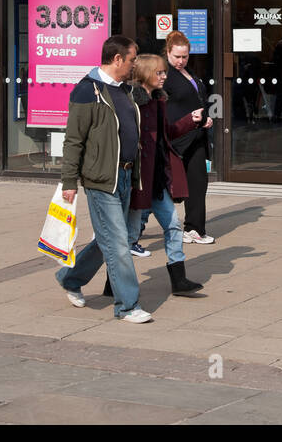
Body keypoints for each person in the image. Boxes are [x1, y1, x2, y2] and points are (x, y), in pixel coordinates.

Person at [55, 35, 154, 322]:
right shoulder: (87, 91)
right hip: (101, 180)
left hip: (124, 176)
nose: (135, 64)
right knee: (119, 243)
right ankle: (127, 307)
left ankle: (70, 278)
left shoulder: (124, 90)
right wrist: (69, 182)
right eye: (132, 59)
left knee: (106, 240)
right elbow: (73, 141)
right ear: (117, 59)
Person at [126, 54, 205, 296]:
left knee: (172, 225)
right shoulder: (133, 103)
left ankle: (178, 280)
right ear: (146, 74)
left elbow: (167, 133)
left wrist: (189, 121)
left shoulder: (158, 101)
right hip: (139, 181)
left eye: (164, 72)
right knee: (127, 236)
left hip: (158, 179)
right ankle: (112, 282)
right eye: (159, 72)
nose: (164, 76)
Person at [163, 30, 215, 244]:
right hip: (176, 138)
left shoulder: (190, 73)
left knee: (198, 182)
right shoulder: (164, 74)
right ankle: (131, 232)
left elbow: (197, 99)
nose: (181, 61)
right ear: (168, 52)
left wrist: (205, 119)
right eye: (177, 56)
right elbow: (162, 106)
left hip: (195, 136)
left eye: (185, 56)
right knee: (160, 186)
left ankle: (194, 229)